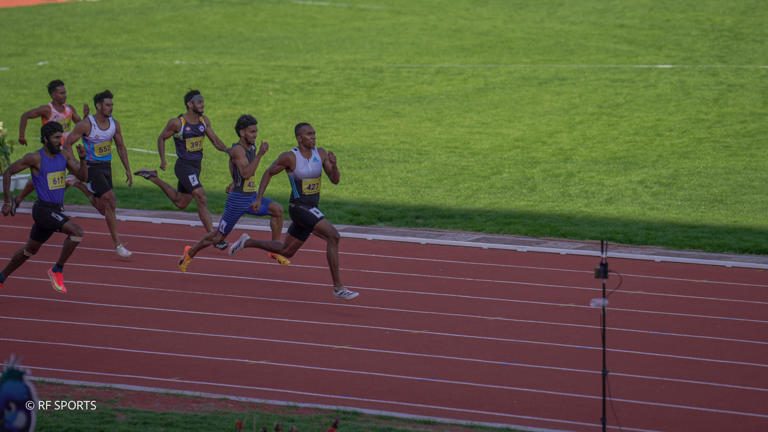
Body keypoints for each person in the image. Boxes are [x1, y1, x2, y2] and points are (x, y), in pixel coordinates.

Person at [228, 123, 358, 300]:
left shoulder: (320, 153)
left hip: (312, 208)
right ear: (299, 138)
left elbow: (335, 180)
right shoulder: (290, 157)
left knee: (286, 251)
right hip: (298, 207)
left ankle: (248, 242)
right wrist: (258, 198)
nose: (313, 137)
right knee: (333, 236)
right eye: (309, 134)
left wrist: (334, 166)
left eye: (314, 134)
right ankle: (338, 288)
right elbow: (268, 173)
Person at [177, 114, 287, 272]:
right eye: (252, 132)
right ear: (242, 133)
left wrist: (234, 182)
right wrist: (260, 155)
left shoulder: (252, 147)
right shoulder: (238, 150)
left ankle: (275, 251)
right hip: (237, 201)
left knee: (278, 210)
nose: (255, 135)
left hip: (250, 196)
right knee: (218, 237)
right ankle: (190, 253)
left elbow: (234, 167)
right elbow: (246, 173)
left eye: (256, 131)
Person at [134, 90, 232, 248]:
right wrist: (163, 160)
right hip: (183, 167)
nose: (202, 104)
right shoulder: (178, 123)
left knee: (181, 202)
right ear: (190, 104)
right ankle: (214, 237)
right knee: (201, 196)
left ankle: (153, 177)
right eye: (199, 102)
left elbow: (215, 140)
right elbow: (162, 138)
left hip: (196, 167)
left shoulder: (204, 121)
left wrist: (228, 150)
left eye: (203, 101)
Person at [1, 121, 88, 293]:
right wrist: (7, 201)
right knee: (77, 232)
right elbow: (8, 171)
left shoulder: (64, 156)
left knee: (30, 250)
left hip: (55, 210)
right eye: (56, 138)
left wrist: (83, 158)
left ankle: (1, 277)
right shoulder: (35, 157)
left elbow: (83, 177)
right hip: (43, 210)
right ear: (45, 139)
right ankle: (57, 270)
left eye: (60, 137)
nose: (60, 141)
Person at [64, 89, 134, 258]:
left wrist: (127, 168)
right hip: (92, 167)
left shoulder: (114, 124)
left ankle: (79, 184)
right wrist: (75, 164)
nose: (111, 108)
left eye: (112, 105)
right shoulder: (87, 124)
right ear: (99, 105)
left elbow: (120, 147)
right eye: (108, 105)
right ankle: (118, 245)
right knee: (111, 200)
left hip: (106, 167)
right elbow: (67, 143)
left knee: (104, 209)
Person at [11, 79, 89, 212]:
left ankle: (56, 201)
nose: (65, 95)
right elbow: (25, 116)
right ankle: (19, 199)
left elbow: (80, 125)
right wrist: (21, 136)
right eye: (61, 93)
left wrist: (86, 117)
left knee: (67, 176)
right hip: (50, 151)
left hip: (65, 152)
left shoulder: (69, 109)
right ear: (53, 95)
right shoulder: (47, 110)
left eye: (65, 92)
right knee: (42, 178)